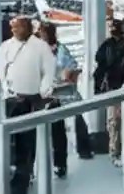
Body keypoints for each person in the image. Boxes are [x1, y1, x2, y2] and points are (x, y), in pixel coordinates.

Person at [0, 15, 56, 194]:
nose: (15, 30)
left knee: (27, 139)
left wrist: (43, 92)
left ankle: (22, 178)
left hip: (31, 99)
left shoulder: (40, 47)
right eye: (13, 27)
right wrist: (0, 87)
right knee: (13, 139)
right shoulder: (5, 47)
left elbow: (49, 71)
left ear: (28, 27)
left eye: (18, 27)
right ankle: (18, 173)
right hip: (11, 98)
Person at [37, 21, 91, 176]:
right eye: (41, 32)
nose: (43, 35)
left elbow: (73, 66)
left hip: (64, 92)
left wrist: (69, 74)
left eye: (46, 32)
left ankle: (80, 151)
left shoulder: (60, 49)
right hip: (47, 94)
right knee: (54, 128)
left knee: (75, 120)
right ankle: (54, 164)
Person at [93, 18, 124, 161]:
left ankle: (115, 149)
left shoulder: (107, 46)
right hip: (122, 86)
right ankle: (120, 149)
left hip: (114, 86)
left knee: (114, 120)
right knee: (120, 120)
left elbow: (99, 60)